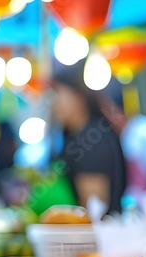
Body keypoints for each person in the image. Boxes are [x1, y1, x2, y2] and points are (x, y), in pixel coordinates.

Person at [50, 64, 127, 214]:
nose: (53, 104)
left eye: (57, 94)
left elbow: (93, 210)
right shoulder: (73, 137)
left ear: (78, 95)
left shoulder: (91, 141)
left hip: (95, 236)